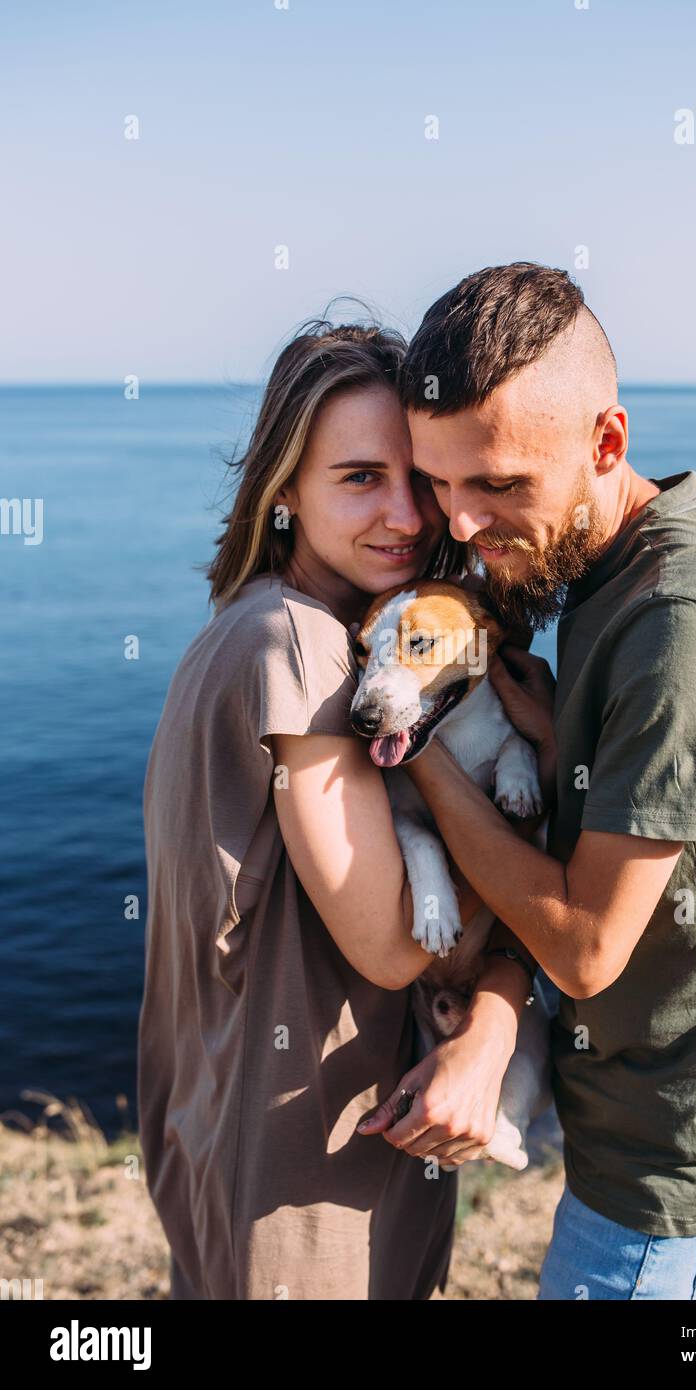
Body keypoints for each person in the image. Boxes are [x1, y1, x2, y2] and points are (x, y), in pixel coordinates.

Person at [372, 261, 696, 1300]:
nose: (462, 525)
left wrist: (422, 749)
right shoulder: (606, 564)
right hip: (651, 1120)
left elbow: (579, 948)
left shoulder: (676, 621)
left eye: (497, 484)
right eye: (439, 482)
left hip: (664, 1166)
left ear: (604, 442)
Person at [137, 317, 533, 1300]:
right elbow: (399, 944)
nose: (407, 514)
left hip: (235, 1129)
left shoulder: (240, 628)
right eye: (359, 478)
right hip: (307, 1166)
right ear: (284, 492)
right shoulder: (302, 649)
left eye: (419, 480)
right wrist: (518, 956)